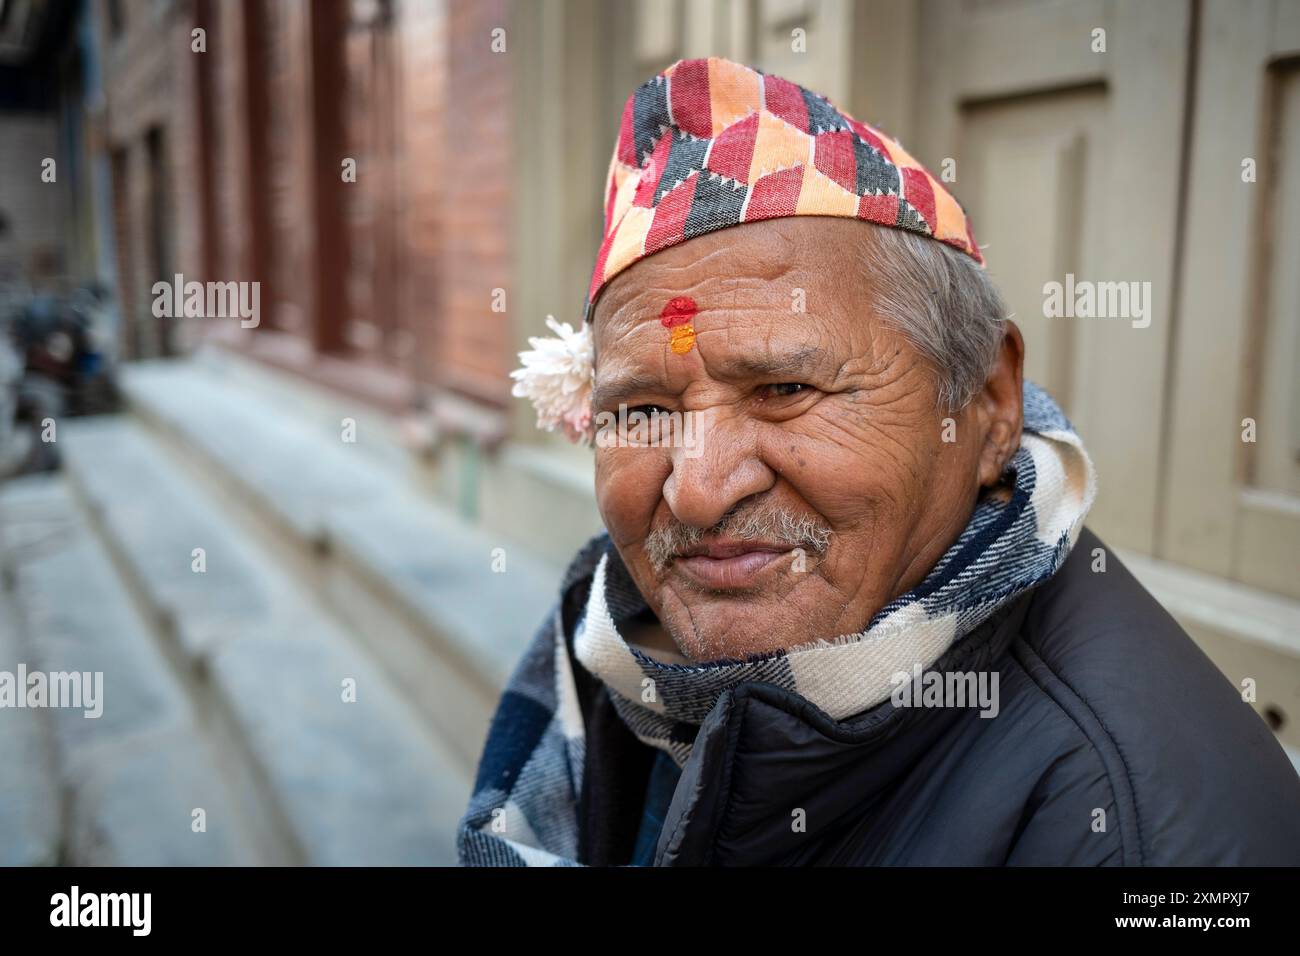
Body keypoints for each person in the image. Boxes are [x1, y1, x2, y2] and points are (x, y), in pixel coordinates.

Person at [459, 58, 1300, 866]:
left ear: (989, 403)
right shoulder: (613, 647)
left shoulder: (1133, 836)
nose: (701, 491)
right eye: (642, 410)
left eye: (786, 387)